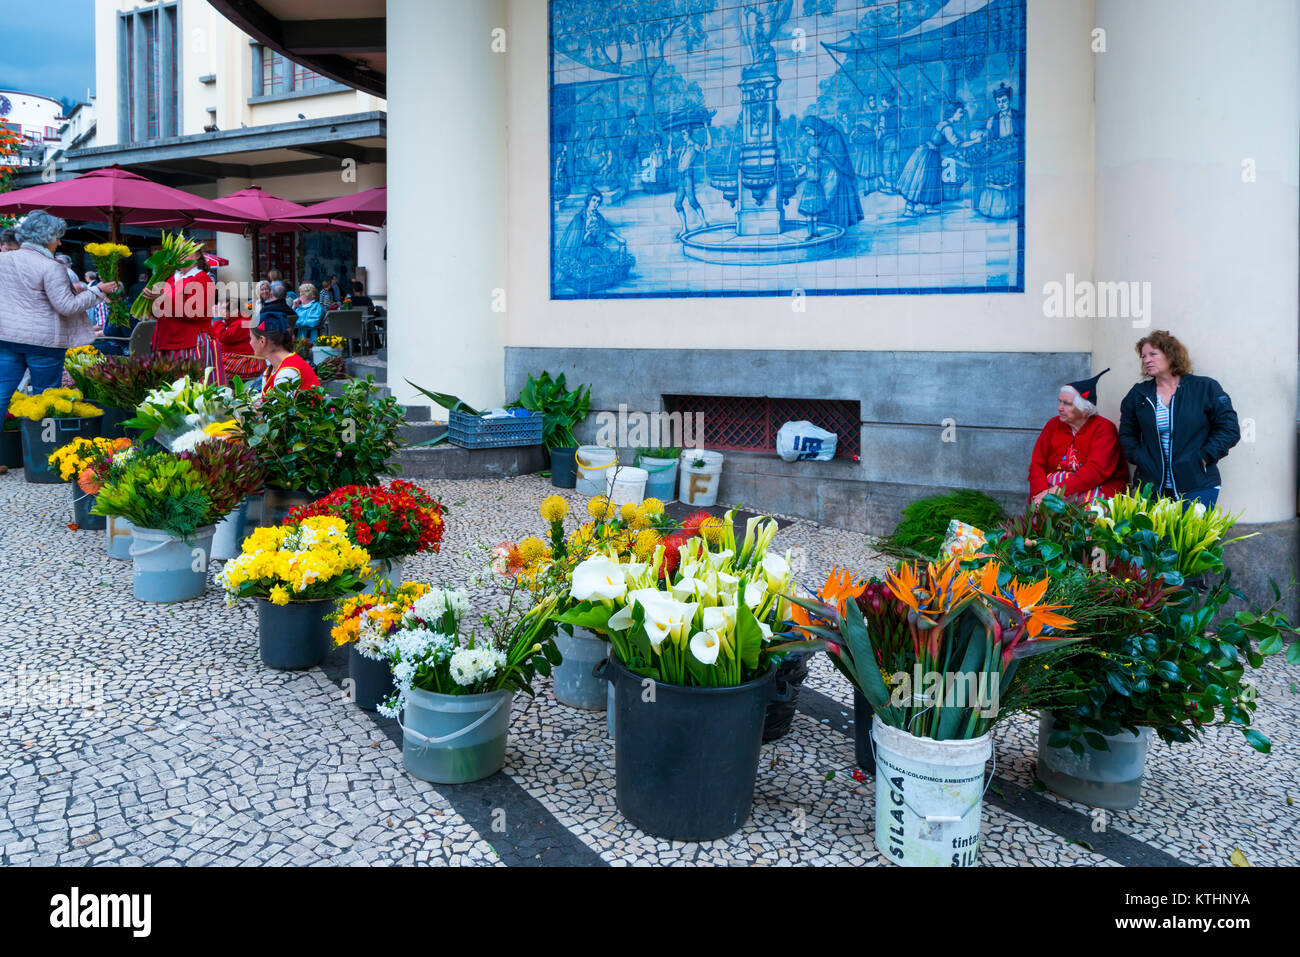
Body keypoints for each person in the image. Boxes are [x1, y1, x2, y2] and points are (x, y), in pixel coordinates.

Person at [0, 210, 118, 420]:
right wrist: (98, 291)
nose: (60, 243)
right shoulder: (51, 267)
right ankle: (43, 449)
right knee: (47, 400)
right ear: (46, 237)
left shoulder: (4, 260)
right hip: (43, 343)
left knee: (2, 396)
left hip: (6, 338)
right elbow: (67, 306)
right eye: (57, 237)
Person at [1118, 330, 1240, 506]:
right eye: (1143, 356)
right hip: (1151, 486)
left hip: (1197, 483)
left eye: (1153, 354)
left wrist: (1203, 457)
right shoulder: (1138, 395)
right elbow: (1127, 433)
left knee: (1191, 534)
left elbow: (1229, 429)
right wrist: (1139, 458)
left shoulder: (1205, 388)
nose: (1146, 360)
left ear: (1171, 354)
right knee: (1156, 534)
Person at [1028, 369, 1129, 506]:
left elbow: (1095, 472)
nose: (1059, 408)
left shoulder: (1104, 428)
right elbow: (1037, 464)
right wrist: (1040, 493)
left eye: (1067, 404)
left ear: (1085, 409)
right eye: (1060, 402)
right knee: (1042, 515)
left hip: (1094, 486)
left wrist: (1054, 493)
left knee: (1086, 516)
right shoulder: (1053, 425)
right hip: (1052, 487)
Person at [139, 253, 227, 385]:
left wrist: (163, 298)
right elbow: (159, 313)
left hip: (192, 344)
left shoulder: (203, 279)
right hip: (168, 342)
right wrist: (150, 303)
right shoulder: (171, 279)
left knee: (198, 391)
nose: (178, 255)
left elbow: (196, 312)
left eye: (184, 252)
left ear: (197, 255)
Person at [897, 101, 977, 216]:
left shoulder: (944, 124)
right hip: (928, 154)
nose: (962, 115)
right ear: (952, 113)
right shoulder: (947, 127)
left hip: (930, 152)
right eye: (960, 112)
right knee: (919, 180)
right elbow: (957, 144)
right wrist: (975, 141)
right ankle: (909, 209)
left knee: (930, 180)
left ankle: (928, 206)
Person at [797, 116, 864, 237]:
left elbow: (839, 158)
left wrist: (822, 157)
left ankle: (835, 224)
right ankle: (823, 226)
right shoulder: (820, 136)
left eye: (809, 130)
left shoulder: (834, 135)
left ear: (815, 125)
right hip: (824, 172)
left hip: (837, 171)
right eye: (807, 131)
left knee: (831, 193)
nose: (809, 133)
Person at [249, 312, 319, 401]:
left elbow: (277, 410)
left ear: (262, 340)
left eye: (251, 338)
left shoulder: (288, 372)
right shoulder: (273, 369)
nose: (250, 343)